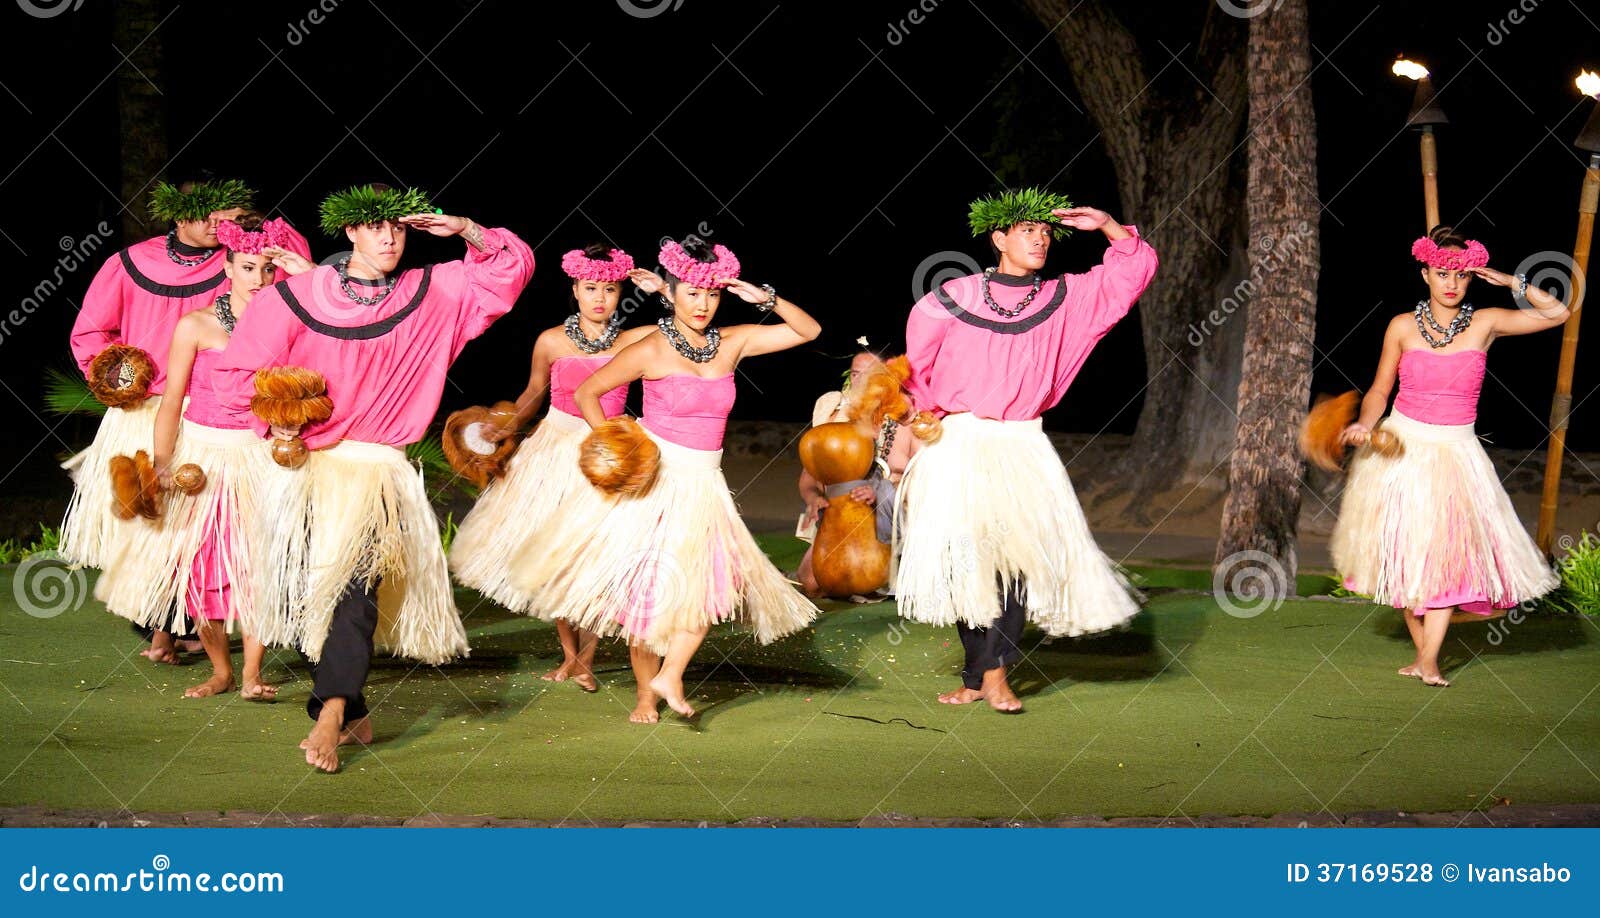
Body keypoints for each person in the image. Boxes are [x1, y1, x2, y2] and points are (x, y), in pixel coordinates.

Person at [212, 184, 534, 771]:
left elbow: (508, 271)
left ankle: (330, 713)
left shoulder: (432, 292)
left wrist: (465, 228)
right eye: (376, 227)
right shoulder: (293, 297)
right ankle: (352, 705)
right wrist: (280, 427)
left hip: (378, 473)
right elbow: (240, 376)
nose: (389, 238)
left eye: (399, 228)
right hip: (308, 470)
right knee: (320, 595)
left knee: (353, 592)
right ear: (350, 232)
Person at [511, 236, 821, 722]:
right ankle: (644, 695)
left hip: (705, 486)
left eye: (711, 295)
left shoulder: (733, 341)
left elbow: (809, 331)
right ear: (670, 293)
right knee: (648, 594)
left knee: (710, 587)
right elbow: (590, 391)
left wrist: (767, 299)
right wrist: (619, 444)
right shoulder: (650, 348)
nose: (702, 304)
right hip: (655, 482)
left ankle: (670, 673)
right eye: (692, 293)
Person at [896, 187, 1157, 712]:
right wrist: (914, 429)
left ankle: (995, 675)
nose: (1040, 240)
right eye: (1027, 231)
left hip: (1020, 444)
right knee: (965, 562)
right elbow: (915, 373)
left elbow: (1130, 276)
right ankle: (978, 674)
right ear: (999, 238)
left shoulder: (1066, 298)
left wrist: (1107, 224)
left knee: (1016, 564)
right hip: (959, 443)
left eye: (1045, 233)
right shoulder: (948, 299)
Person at [63, 178, 310, 665]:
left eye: (232, 217)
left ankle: (200, 624)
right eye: (211, 215)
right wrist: (121, 375)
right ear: (179, 217)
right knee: (156, 528)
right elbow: (93, 331)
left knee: (212, 531)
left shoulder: (245, 259)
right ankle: (159, 625)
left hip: (224, 414)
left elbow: (296, 277)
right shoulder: (130, 263)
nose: (223, 225)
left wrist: (260, 229)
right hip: (151, 405)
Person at [1331, 225, 1565, 687]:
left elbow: (1557, 312)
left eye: (1461, 275)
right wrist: (1365, 423)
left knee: (1446, 557)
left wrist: (1508, 280)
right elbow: (1380, 389)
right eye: (1442, 273)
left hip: (1456, 453)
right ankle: (1424, 655)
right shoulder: (1400, 326)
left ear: (1471, 278)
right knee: (1403, 556)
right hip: (1400, 447)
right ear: (1426, 274)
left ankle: (1431, 659)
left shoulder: (1486, 323)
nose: (1452, 283)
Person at [449, 243, 655, 692]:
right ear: (575, 290)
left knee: (596, 553)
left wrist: (661, 288)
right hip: (554, 447)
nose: (599, 297)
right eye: (590, 288)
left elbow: (684, 333)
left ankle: (587, 659)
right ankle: (569, 656)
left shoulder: (636, 340)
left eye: (609, 289)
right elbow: (532, 393)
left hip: (608, 449)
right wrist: (505, 429)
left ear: (620, 292)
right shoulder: (551, 340)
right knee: (553, 551)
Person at [795, 349, 912, 598]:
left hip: (892, 512)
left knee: (868, 579)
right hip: (841, 512)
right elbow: (809, 474)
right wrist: (813, 497)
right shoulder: (836, 419)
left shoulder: (903, 420)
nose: (861, 382)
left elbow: (920, 479)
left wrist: (881, 492)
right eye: (856, 373)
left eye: (871, 374)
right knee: (811, 581)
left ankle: (897, 566)